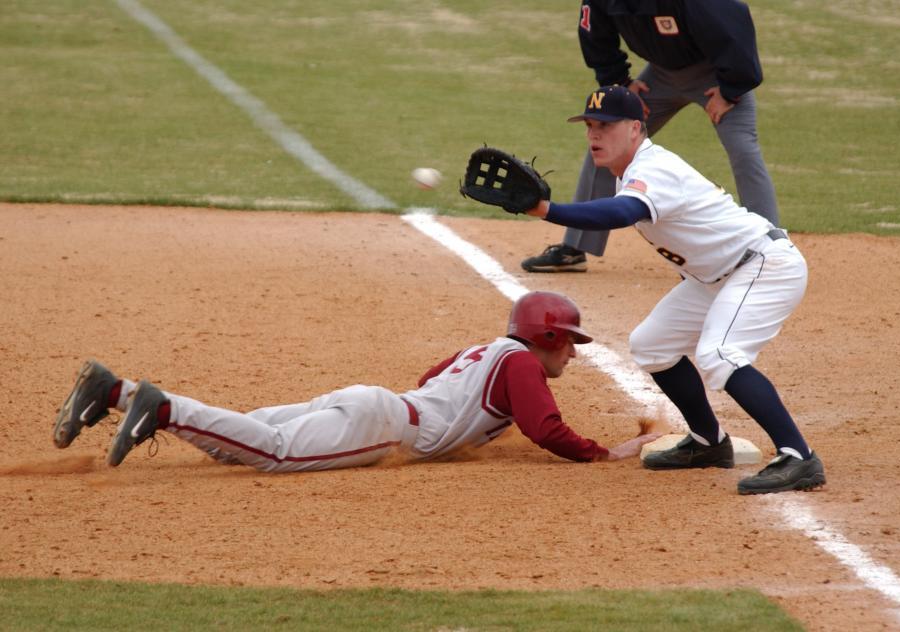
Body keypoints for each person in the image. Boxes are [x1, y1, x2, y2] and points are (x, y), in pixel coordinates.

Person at [505, 86, 824, 494]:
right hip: (716, 276)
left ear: (636, 128)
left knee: (720, 355)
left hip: (762, 265)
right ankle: (710, 443)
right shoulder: (633, 172)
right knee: (651, 344)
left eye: (604, 126)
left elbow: (623, 212)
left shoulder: (654, 169)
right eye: (588, 126)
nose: (593, 135)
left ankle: (799, 456)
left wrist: (549, 211)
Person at [51, 291, 661, 471]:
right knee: (273, 453)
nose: (574, 356)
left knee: (251, 433)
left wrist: (473, 430)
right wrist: (605, 451)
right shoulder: (523, 363)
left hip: (374, 401)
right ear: (548, 336)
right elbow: (545, 429)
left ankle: (116, 391)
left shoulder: (484, 350)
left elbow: (431, 379)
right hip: (386, 423)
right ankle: (159, 410)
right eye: (571, 343)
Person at [522, 0, 778, 273]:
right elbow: (595, 37)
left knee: (743, 150)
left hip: (714, 76)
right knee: (606, 142)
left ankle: (770, 246)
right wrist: (620, 82)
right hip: (659, 77)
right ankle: (575, 248)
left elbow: (735, 21)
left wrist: (730, 91)